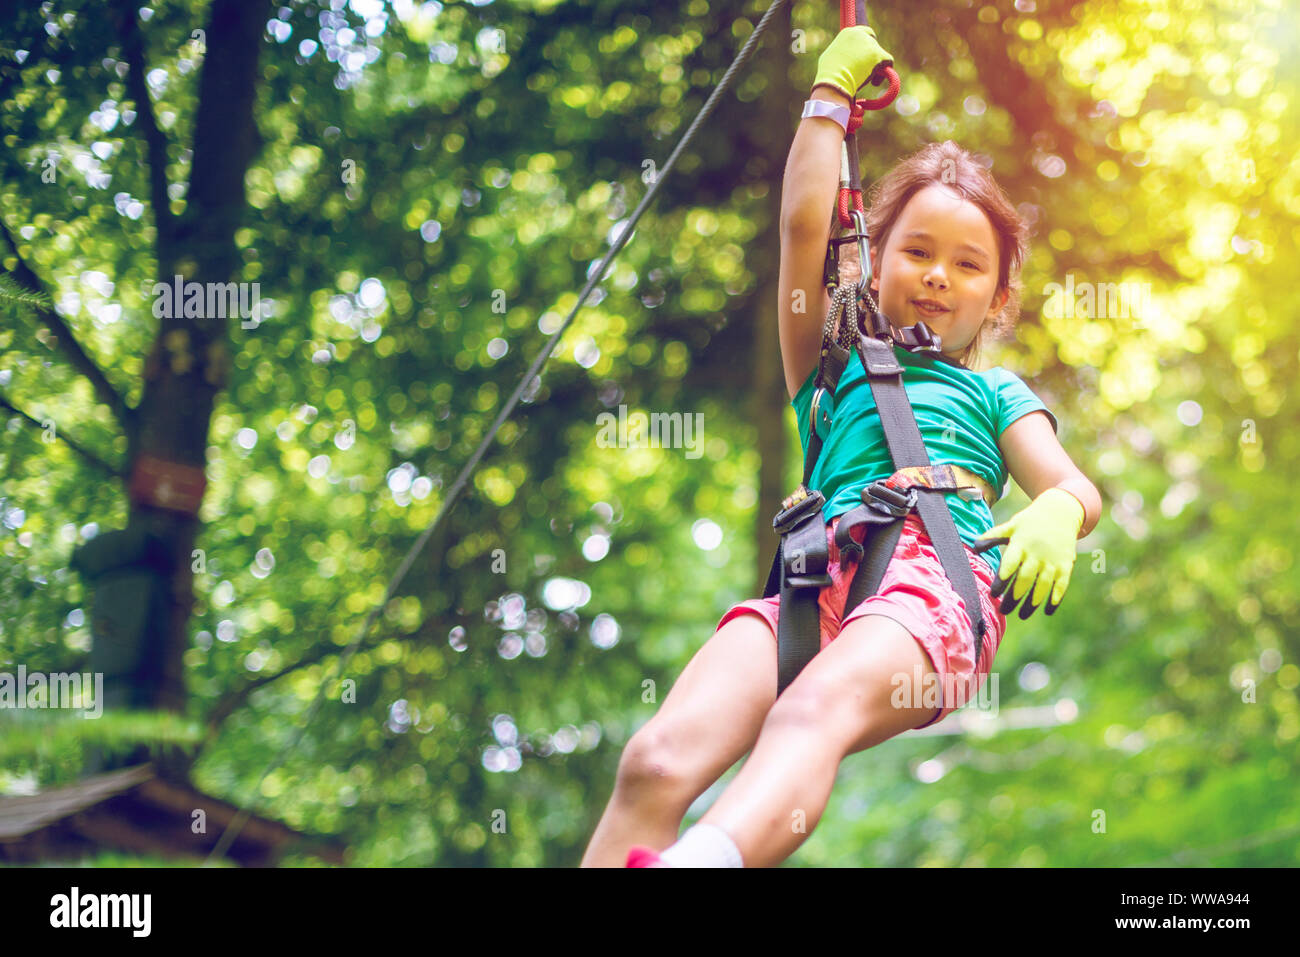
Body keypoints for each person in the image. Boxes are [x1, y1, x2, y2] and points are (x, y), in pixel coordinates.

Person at [579, 25, 1102, 869]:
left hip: (937, 577)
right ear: (876, 262)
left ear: (997, 299)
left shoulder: (994, 393)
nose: (938, 275)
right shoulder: (829, 371)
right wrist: (826, 102)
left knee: (810, 710)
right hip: (813, 578)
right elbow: (801, 231)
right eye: (918, 251)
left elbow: (1075, 486)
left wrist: (1055, 511)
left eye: (967, 265)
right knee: (654, 761)